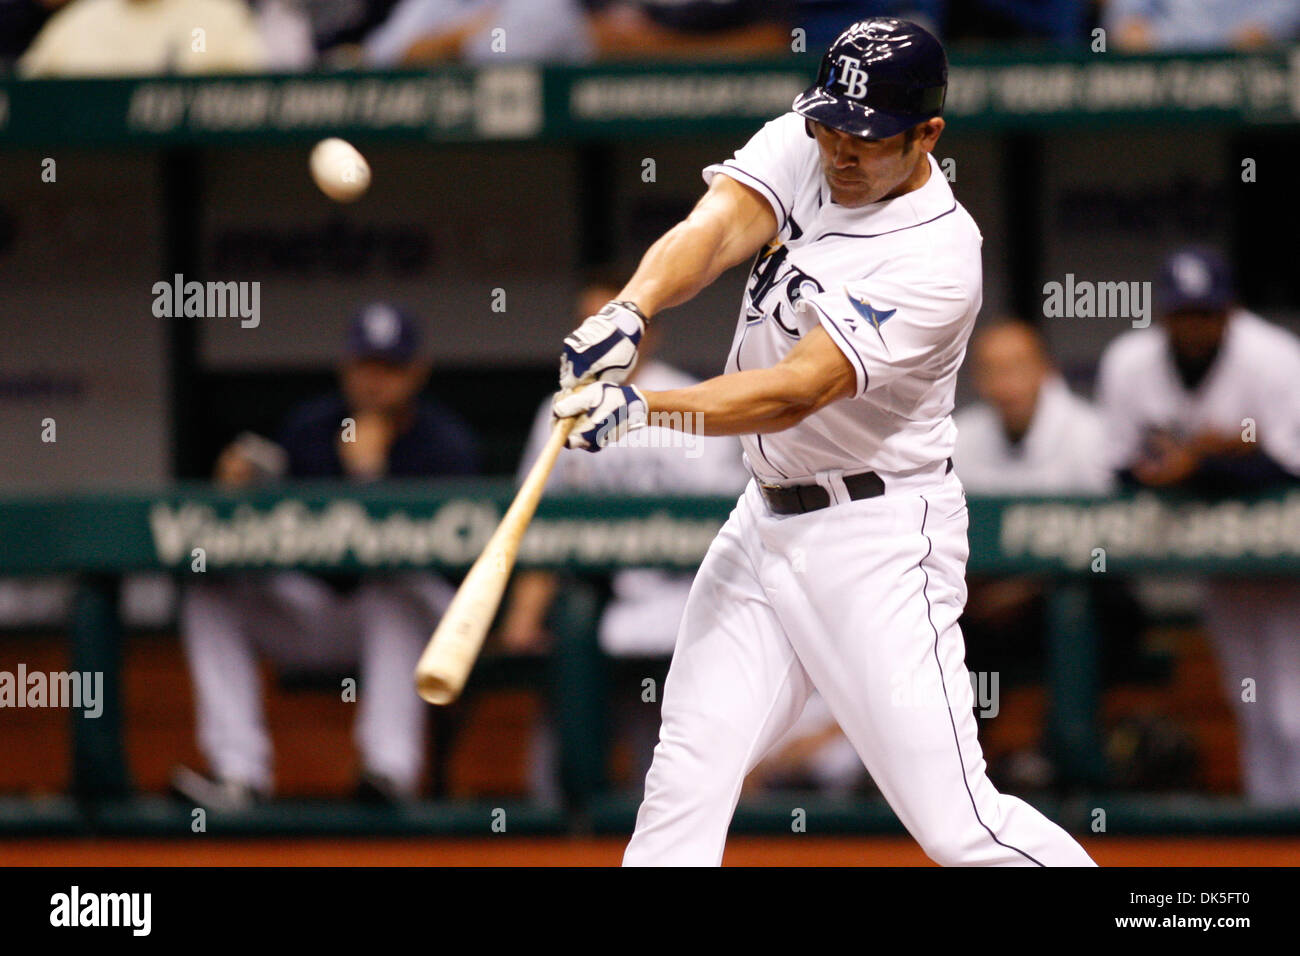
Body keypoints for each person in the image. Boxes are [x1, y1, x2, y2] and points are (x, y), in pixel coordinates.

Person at [551, 18, 1096, 865]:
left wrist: (643, 407)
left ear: (927, 135)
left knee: (962, 827)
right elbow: (719, 225)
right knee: (686, 777)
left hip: (875, 541)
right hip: (763, 521)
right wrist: (632, 308)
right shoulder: (813, 138)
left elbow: (795, 391)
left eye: (867, 136)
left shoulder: (938, 257)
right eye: (831, 125)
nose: (841, 149)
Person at [173, 302, 480, 809]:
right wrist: (241, 493)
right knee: (211, 591)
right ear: (346, 366)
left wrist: (371, 478)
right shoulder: (310, 428)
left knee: (393, 589)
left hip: (424, 628)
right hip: (325, 613)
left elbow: (453, 569)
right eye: (366, 366)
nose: (376, 381)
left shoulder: (445, 445)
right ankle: (238, 774)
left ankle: (388, 772)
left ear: (417, 371)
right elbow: (274, 533)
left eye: (391, 368)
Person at [501, 282, 749, 801]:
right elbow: (536, 522)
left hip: (688, 598)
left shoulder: (692, 403)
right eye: (589, 325)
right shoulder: (560, 408)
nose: (600, 339)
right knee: (573, 634)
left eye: (614, 325)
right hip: (599, 602)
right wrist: (524, 612)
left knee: (673, 776)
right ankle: (571, 826)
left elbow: (733, 534)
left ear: (650, 332)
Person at [1097, 246, 1300, 806]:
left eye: (1204, 313)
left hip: (1285, 556)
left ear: (1229, 311)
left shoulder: (1275, 357)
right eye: (1183, 313)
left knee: (1292, 708)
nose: (1193, 326)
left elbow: (1289, 461)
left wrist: (1205, 461)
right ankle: (1270, 831)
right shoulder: (1130, 361)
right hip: (1219, 558)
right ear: (1164, 314)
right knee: (1251, 703)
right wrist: (1172, 465)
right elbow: (1118, 467)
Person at [18, 0, 267, 76]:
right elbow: (26, 99)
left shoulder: (218, 15)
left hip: (207, 179)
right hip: (85, 178)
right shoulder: (76, 20)